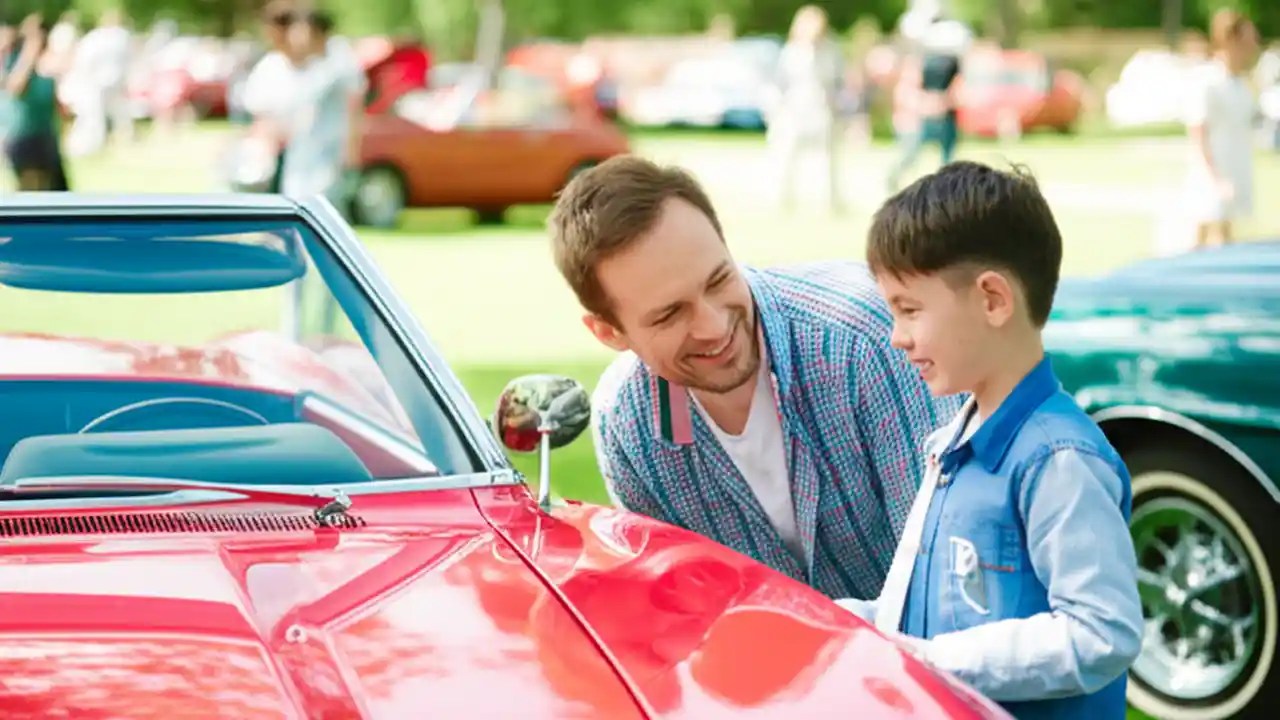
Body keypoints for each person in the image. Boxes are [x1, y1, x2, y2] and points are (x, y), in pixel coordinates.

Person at [549, 155, 961, 601]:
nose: (712, 326)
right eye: (669, 314)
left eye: (719, 279)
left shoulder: (865, 340)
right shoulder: (627, 424)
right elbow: (686, 612)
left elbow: (943, 581)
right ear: (609, 333)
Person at [841, 161, 1143, 718]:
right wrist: (832, 624)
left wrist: (931, 660)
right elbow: (907, 613)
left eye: (909, 310)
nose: (897, 337)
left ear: (993, 300)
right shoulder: (952, 443)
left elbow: (1103, 631)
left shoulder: (1058, 460)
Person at [1183, 9, 1260, 248]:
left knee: (1225, 236)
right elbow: (1198, 133)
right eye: (1247, 40)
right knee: (1202, 235)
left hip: (1235, 168)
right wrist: (1215, 179)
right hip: (1212, 174)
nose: (1253, 46)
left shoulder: (1241, 84)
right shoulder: (1208, 80)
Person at [279, 9, 364, 214]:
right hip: (303, 150)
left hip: (330, 151)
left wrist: (351, 150)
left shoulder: (341, 61)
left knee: (324, 210)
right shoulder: (310, 64)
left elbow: (354, 105)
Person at [766, 5, 846, 214]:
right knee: (785, 159)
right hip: (793, 112)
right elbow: (780, 84)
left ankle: (830, 203)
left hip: (822, 110)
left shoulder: (830, 51)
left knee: (827, 161)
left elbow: (838, 81)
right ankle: (782, 201)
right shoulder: (791, 52)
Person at [885, 12, 971, 193]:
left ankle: (948, 191)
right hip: (921, 117)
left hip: (946, 115)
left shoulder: (953, 61)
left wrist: (945, 102)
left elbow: (959, 89)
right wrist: (926, 104)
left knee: (948, 159)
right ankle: (893, 180)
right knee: (911, 155)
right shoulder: (918, 60)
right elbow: (906, 91)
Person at [0, 15, 70, 191]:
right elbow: (16, 87)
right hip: (25, 141)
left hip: (46, 140)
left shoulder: (45, 72)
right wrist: (31, 49)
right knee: (33, 194)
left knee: (59, 195)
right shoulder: (14, 63)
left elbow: (57, 107)